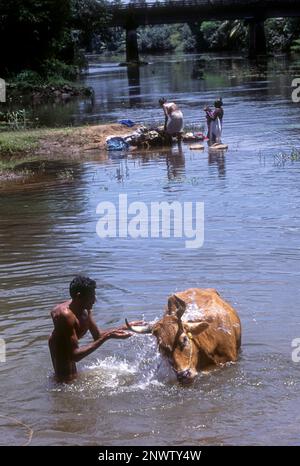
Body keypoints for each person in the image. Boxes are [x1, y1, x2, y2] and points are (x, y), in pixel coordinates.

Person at [48, 275, 140, 383]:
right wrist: (107, 337)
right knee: (65, 383)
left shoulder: (85, 308)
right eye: (92, 296)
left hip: (69, 347)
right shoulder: (66, 316)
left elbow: (97, 335)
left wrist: (125, 327)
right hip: (60, 349)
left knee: (73, 379)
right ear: (78, 297)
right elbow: (75, 355)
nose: (94, 301)